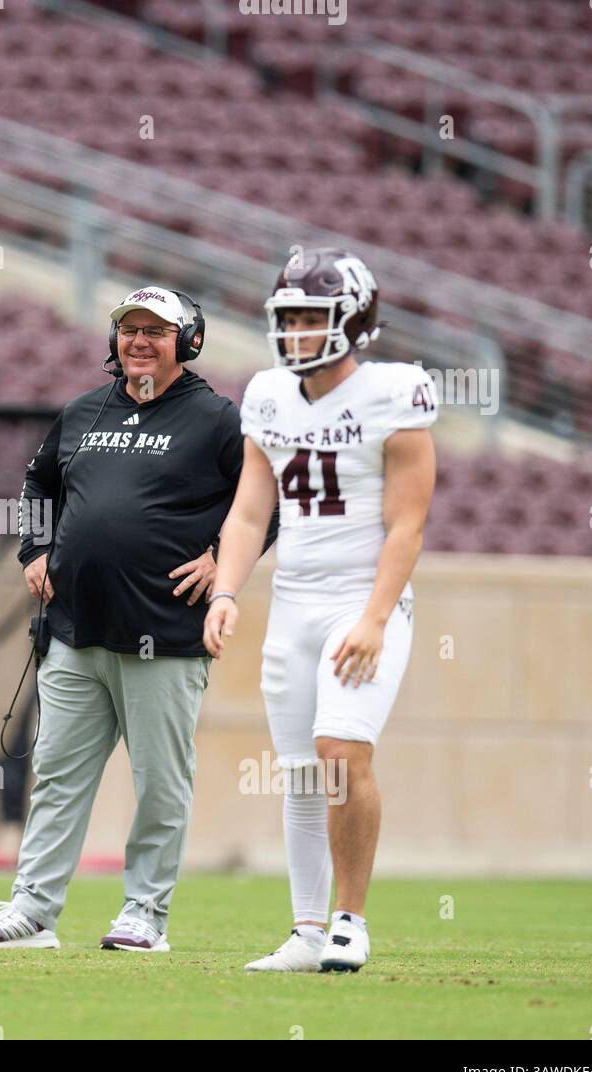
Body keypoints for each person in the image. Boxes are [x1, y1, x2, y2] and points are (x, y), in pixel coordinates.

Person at [0, 286, 274, 954]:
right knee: (58, 776)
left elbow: (263, 504)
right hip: (74, 630)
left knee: (160, 781)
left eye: (156, 331)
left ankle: (145, 915)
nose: (139, 341)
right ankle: (32, 912)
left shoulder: (219, 420)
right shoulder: (81, 412)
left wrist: (224, 564)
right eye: (129, 329)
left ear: (188, 342)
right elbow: (38, 484)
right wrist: (35, 550)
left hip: (166, 633)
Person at [203, 247, 437, 973]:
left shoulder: (394, 392)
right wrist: (225, 590)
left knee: (341, 752)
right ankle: (306, 932)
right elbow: (248, 513)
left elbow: (408, 523)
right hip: (295, 605)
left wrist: (374, 616)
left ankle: (350, 921)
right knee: (302, 772)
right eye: (290, 317)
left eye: (313, 316)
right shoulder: (269, 395)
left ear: (354, 321)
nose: (298, 331)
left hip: (362, 602)